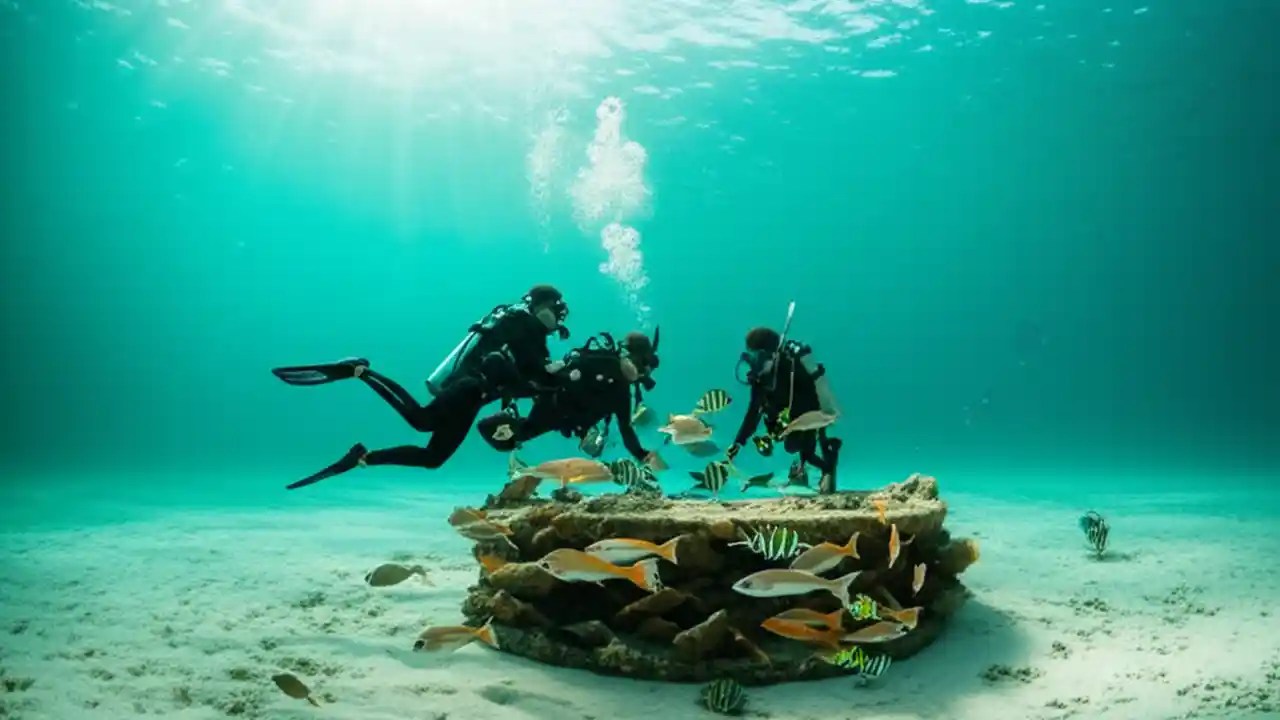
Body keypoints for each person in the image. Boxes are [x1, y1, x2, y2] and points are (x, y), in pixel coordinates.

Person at [271, 285, 571, 489]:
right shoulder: (522, 324)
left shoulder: (527, 333)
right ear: (541, 307)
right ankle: (360, 372)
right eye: (554, 311)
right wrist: (545, 384)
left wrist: (548, 382)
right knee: (421, 421)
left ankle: (362, 458)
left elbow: (530, 375)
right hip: (469, 388)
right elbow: (508, 368)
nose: (556, 319)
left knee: (433, 458)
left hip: (473, 395)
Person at [476, 330, 664, 468]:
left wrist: (642, 455)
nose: (641, 372)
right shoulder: (601, 362)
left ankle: (503, 411)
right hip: (554, 407)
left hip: (567, 421)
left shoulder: (622, 391)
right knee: (511, 436)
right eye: (642, 364)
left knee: (515, 438)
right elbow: (561, 375)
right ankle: (494, 394)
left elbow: (626, 429)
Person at [725, 327, 843, 494]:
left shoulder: (789, 367)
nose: (754, 361)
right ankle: (821, 462)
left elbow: (810, 396)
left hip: (808, 415)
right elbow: (753, 412)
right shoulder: (760, 380)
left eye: (756, 354)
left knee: (799, 449)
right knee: (796, 447)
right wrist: (739, 441)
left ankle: (827, 458)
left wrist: (796, 424)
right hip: (790, 421)